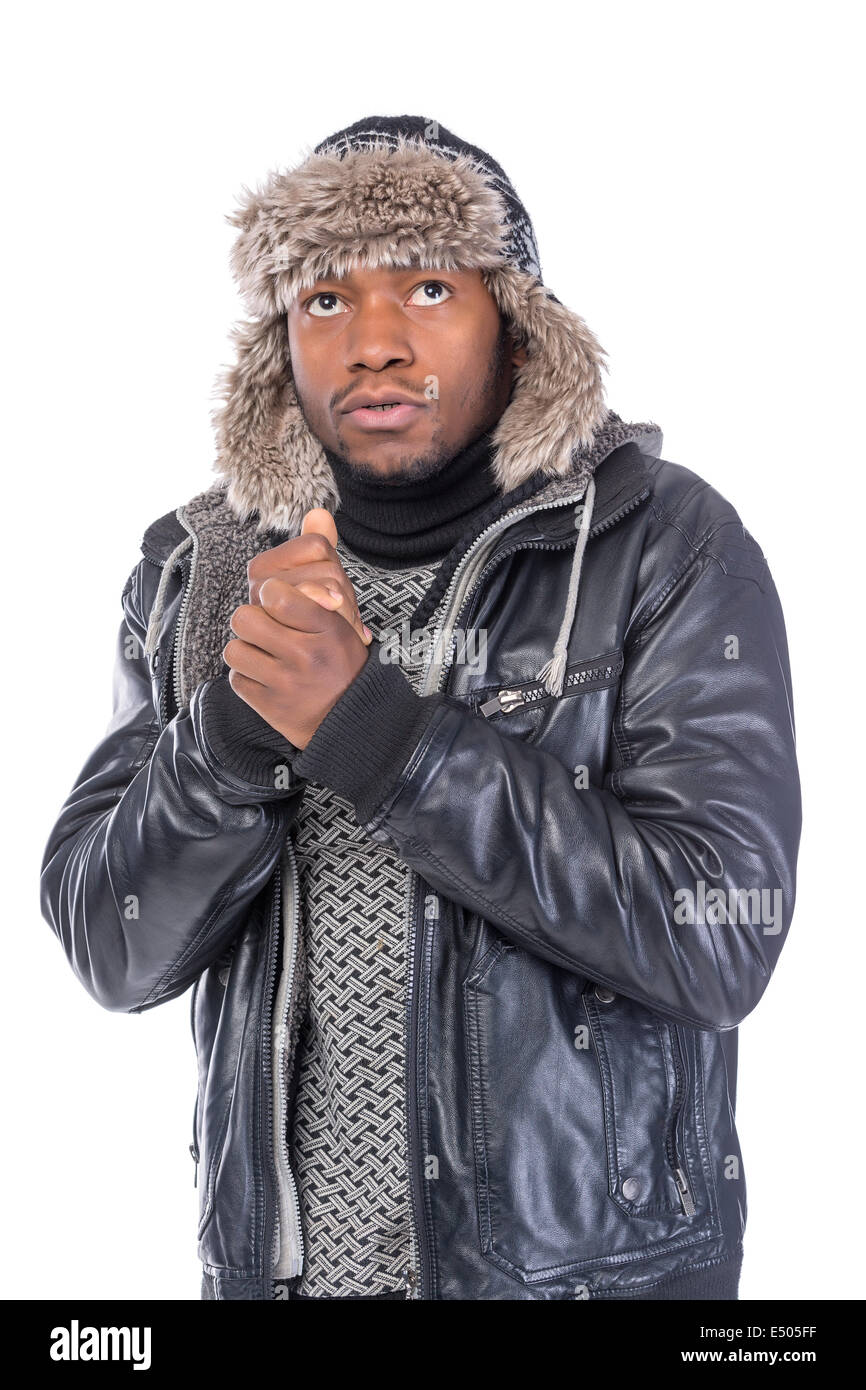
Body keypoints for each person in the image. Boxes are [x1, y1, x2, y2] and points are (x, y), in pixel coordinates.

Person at [39, 114, 802, 1302]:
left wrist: (383, 739)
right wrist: (233, 736)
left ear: (515, 324)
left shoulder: (661, 546)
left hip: (582, 1285)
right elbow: (108, 941)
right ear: (278, 340)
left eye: (428, 286)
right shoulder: (199, 572)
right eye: (326, 300)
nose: (376, 344)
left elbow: (717, 932)